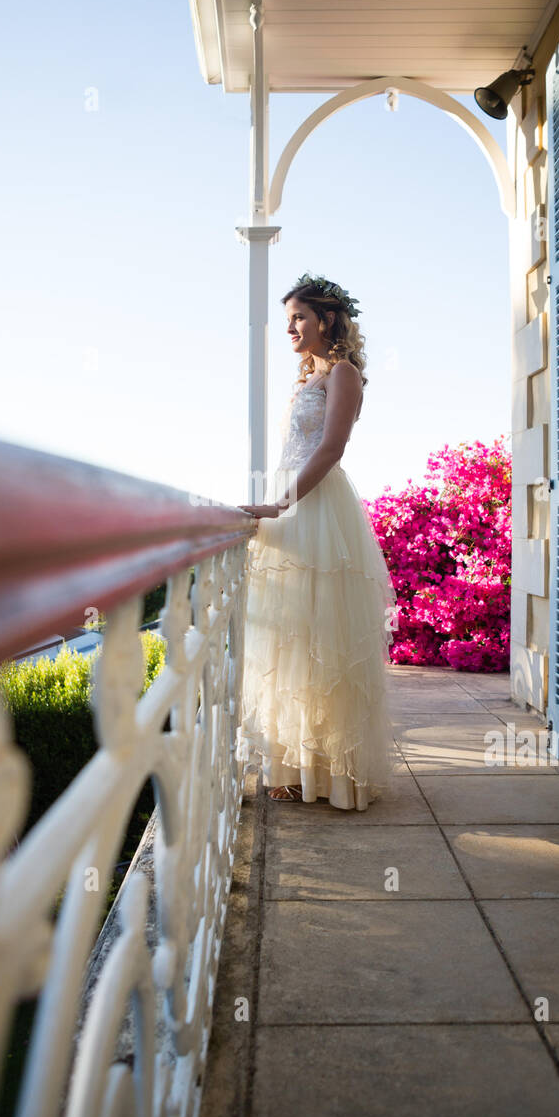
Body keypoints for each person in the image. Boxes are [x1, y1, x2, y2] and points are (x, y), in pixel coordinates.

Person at [236, 273, 402, 811]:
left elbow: (331, 449)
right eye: (287, 320)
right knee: (290, 638)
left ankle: (335, 776)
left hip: (317, 512)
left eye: (299, 318)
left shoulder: (344, 374)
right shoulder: (306, 380)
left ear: (327, 319)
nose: (291, 328)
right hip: (291, 509)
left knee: (325, 642)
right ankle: (294, 770)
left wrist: (278, 506)